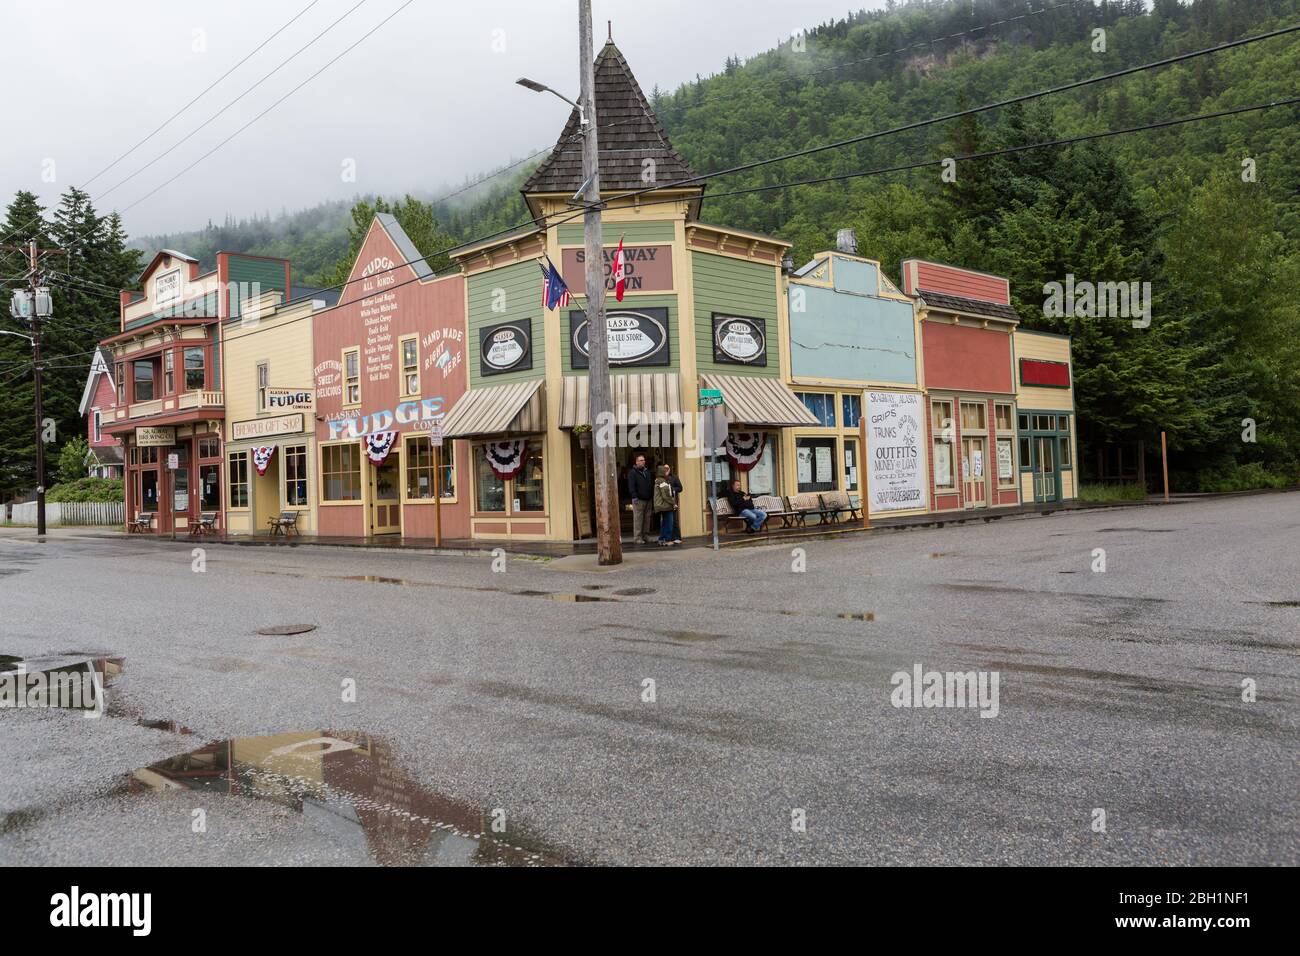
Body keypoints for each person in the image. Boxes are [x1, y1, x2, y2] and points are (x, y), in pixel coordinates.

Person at [626, 453, 654, 545]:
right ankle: (637, 537)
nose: (643, 462)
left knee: (647, 519)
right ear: (636, 462)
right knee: (638, 519)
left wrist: (651, 495)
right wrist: (634, 496)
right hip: (638, 499)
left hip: (648, 499)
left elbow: (650, 484)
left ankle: (645, 535)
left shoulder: (647, 472)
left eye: (644, 460)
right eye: (641, 460)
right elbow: (631, 486)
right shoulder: (632, 472)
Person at [653, 464, 680, 546]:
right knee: (669, 523)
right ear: (662, 472)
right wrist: (673, 503)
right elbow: (666, 495)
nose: (666, 472)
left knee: (664, 523)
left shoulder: (658, 480)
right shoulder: (663, 481)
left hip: (661, 505)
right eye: (665, 470)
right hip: (666, 506)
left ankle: (662, 539)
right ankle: (667, 540)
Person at [663, 462, 683, 543]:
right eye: (665, 468)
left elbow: (680, 488)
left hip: (673, 502)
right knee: (666, 520)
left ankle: (677, 537)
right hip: (664, 503)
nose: (666, 470)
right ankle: (668, 537)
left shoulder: (674, 477)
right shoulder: (661, 478)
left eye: (667, 468)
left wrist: (672, 489)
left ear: (670, 469)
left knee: (674, 520)